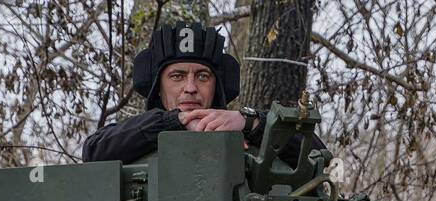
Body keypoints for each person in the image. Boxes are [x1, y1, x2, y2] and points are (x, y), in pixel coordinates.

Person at [82, 21, 312, 165]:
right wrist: (175, 122)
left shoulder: (245, 131)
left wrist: (251, 123)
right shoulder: (136, 136)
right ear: (158, 87)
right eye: (177, 76)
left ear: (216, 86)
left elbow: (317, 157)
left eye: (203, 76)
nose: (190, 87)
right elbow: (93, 151)